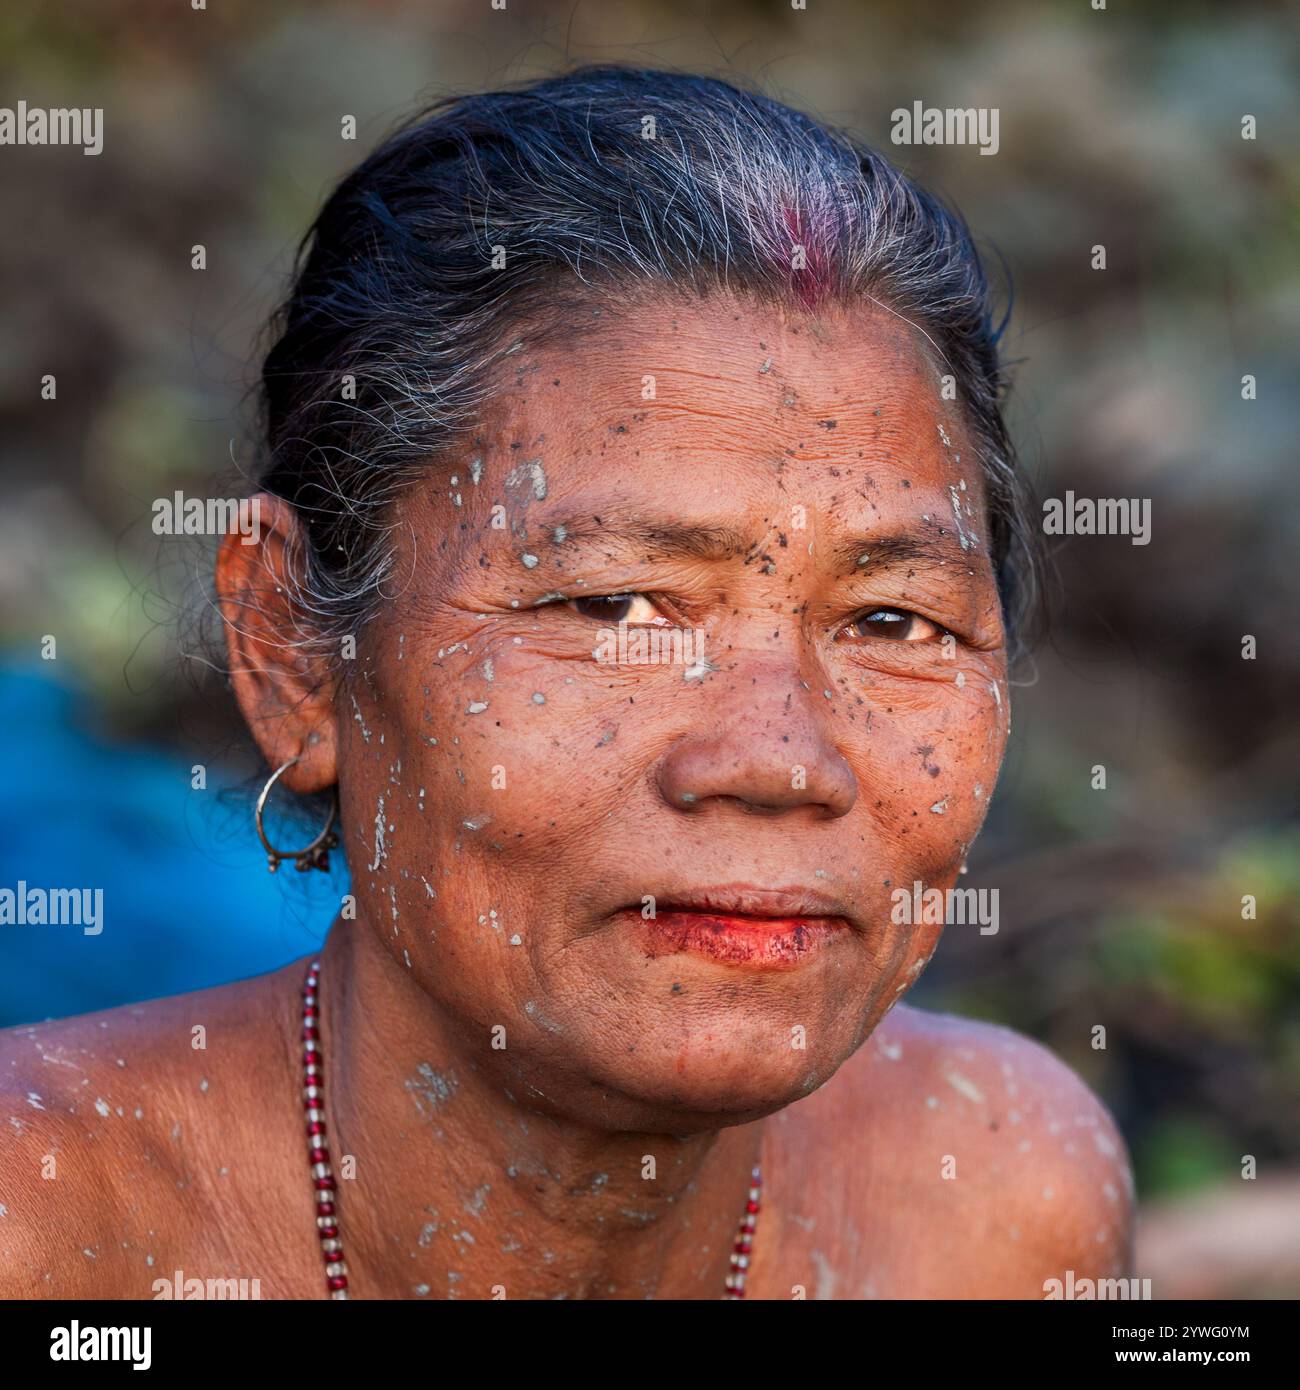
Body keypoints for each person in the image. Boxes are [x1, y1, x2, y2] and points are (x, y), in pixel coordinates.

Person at [0, 66, 1132, 1300]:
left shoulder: (991, 1204)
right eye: (617, 605)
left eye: (890, 618)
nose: (776, 758)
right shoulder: (48, 1236)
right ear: (292, 647)